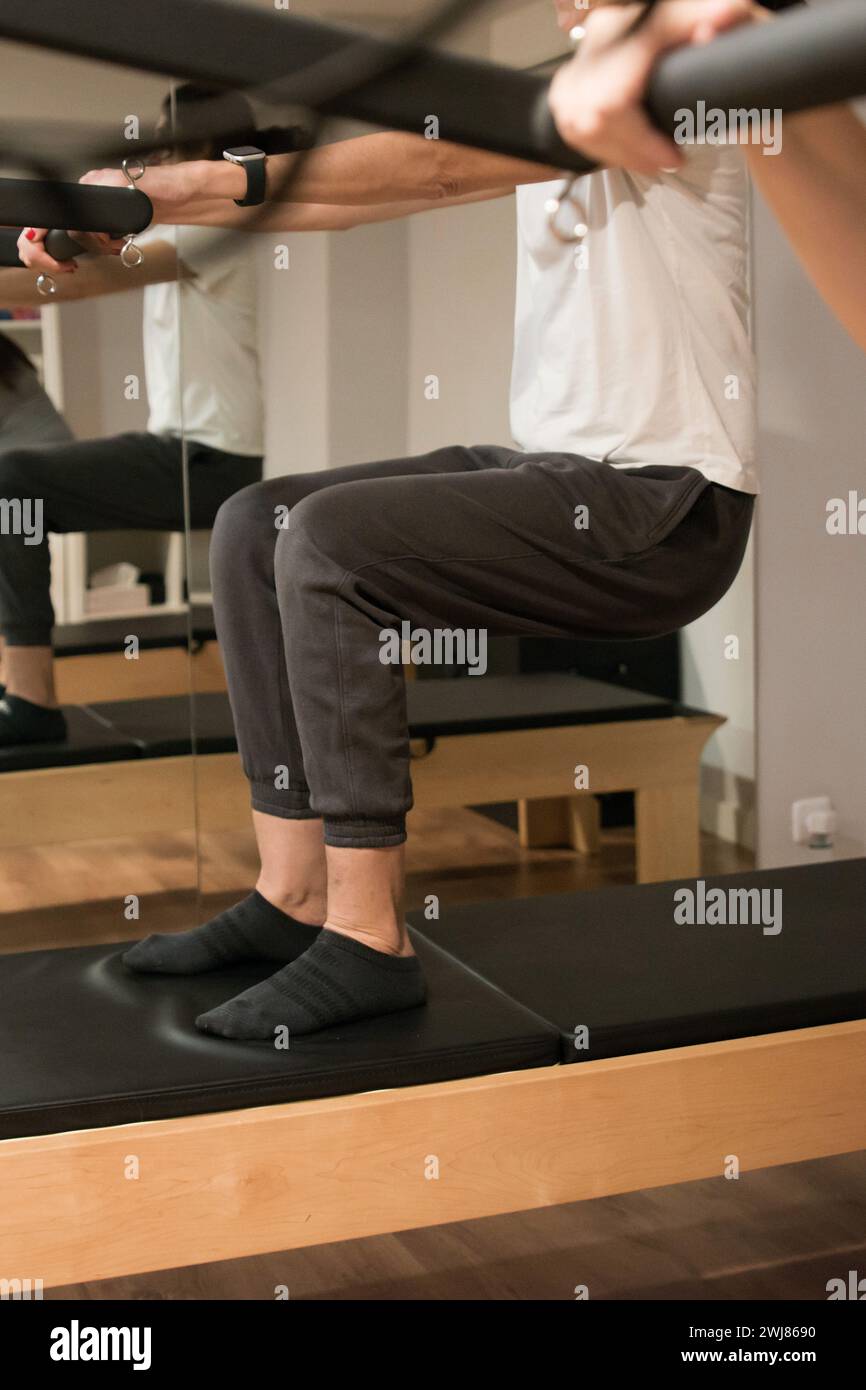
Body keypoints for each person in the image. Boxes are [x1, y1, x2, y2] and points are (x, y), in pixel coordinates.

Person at [21, 0, 765, 1040]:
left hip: (665, 504)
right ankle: (294, 895)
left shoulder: (686, 75)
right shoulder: (568, 88)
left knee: (330, 543)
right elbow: (348, 196)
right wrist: (146, 200)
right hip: (556, 466)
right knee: (255, 525)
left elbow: (430, 168)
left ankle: (369, 936)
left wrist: (175, 183)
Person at [0, 84, 265, 746]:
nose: (158, 155)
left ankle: (29, 703)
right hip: (182, 448)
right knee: (14, 492)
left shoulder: (217, 224)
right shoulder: (178, 228)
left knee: (11, 482)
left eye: (172, 142)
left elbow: (91, 275)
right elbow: (86, 259)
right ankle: (26, 697)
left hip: (210, 461)